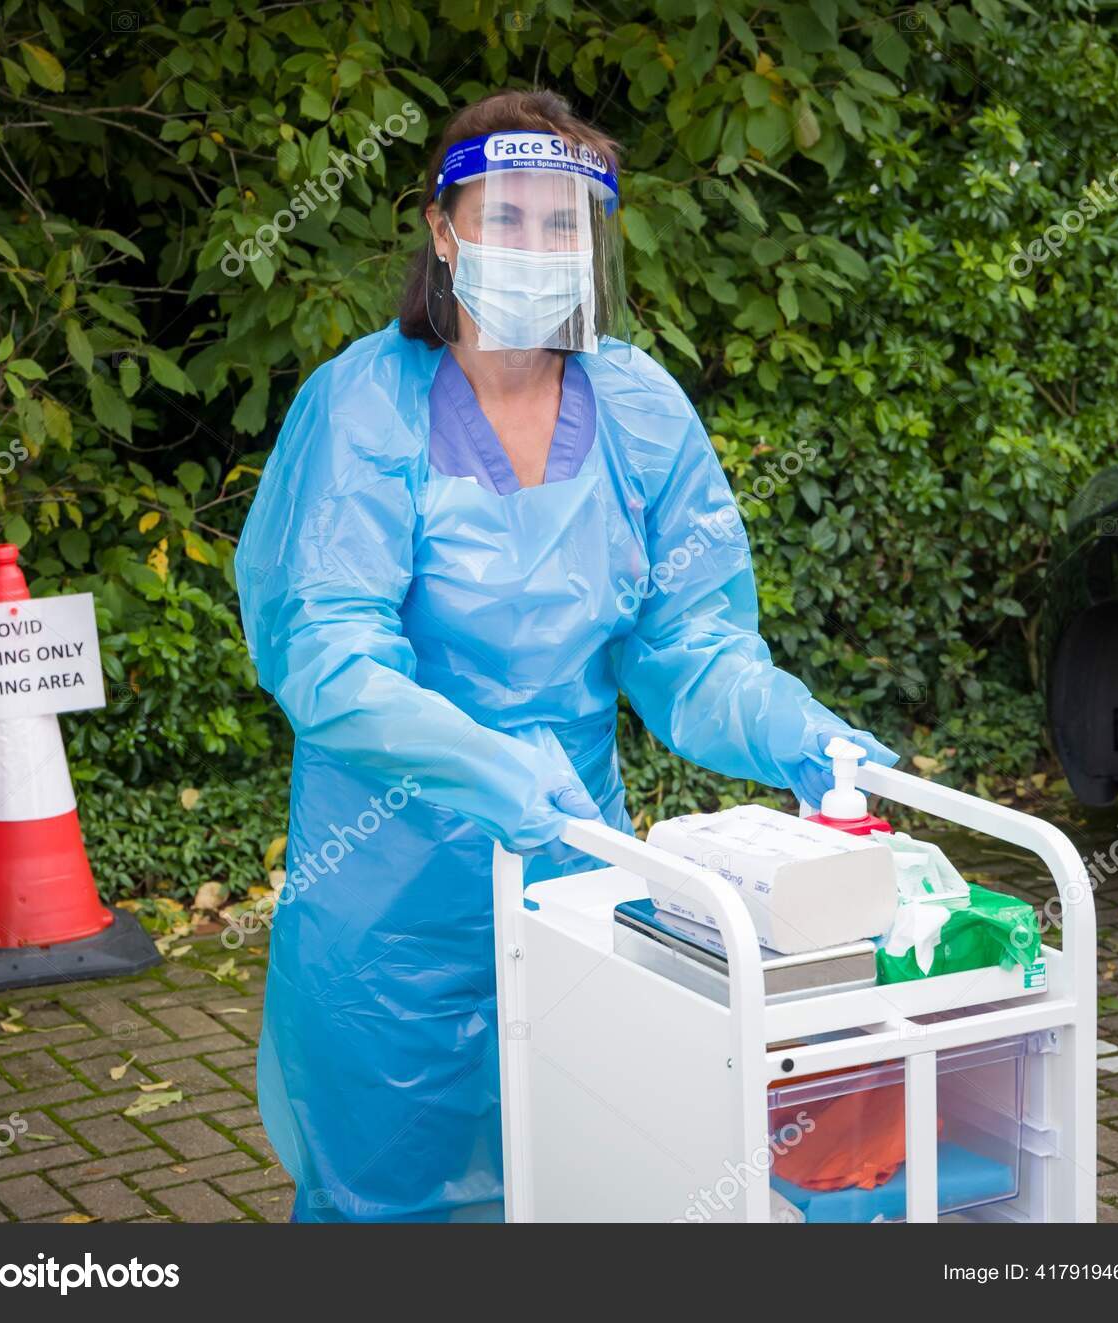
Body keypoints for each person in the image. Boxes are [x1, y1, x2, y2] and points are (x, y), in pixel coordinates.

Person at [234, 89, 897, 1223]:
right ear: (444, 231)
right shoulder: (364, 407)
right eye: (506, 216)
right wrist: (487, 767)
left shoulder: (636, 407)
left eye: (562, 223)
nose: (537, 247)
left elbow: (688, 642)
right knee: (389, 1201)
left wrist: (791, 726)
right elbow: (328, 656)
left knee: (596, 1169)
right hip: (389, 902)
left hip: (577, 872)